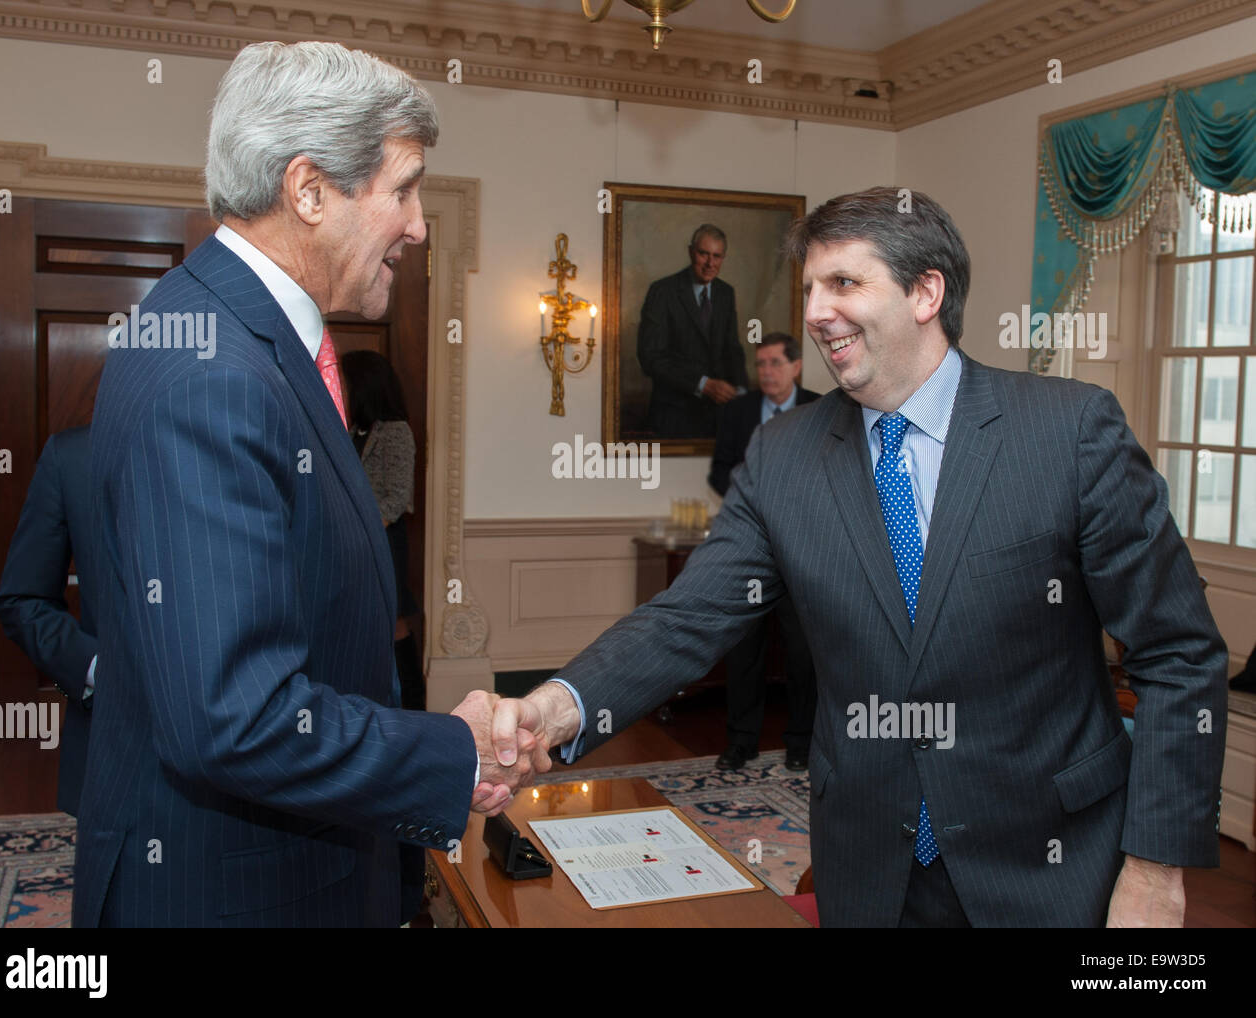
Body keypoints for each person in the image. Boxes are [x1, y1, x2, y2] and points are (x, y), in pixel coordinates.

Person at [482, 187, 1229, 928]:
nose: (813, 312)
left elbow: (1179, 653)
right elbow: (687, 618)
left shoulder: (1067, 432)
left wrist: (1156, 869)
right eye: (809, 287)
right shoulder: (784, 455)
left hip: (1051, 866)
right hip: (870, 871)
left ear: (925, 292)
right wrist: (551, 710)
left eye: (843, 282)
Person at [74, 41, 546, 928]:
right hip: (232, 891)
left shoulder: (242, 335)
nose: (418, 224)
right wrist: (451, 750)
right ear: (309, 189)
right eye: (403, 189)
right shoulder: (211, 370)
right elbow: (236, 718)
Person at [708, 333, 819, 772]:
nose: (767, 372)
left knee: (803, 653)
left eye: (775, 363)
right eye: (761, 364)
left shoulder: (821, 408)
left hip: (802, 549)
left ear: (796, 367)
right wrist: (749, 497)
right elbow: (719, 471)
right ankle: (741, 742)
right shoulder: (738, 411)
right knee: (744, 649)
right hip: (750, 549)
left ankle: (802, 743)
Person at [0, 426, 97, 817]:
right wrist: (96, 669)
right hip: (108, 753)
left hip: (249, 776)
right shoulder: (71, 457)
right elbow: (22, 601)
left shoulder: (262, 441)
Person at [342, 349, 424, 711]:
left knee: (393, 624)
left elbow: (396, 498)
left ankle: (412, 710)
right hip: (351, 544)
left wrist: (359, 526)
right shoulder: (349, 429)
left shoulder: (396, 431)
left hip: (383, 542)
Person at [637, 224, 748, 438]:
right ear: (691, 252)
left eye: (717, 256)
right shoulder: (662, 292)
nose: (710, 263)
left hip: (717, 416)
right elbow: (650, 357)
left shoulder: (725, 293)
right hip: (672, 415)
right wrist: (702, 384)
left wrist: (741, 392)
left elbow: (732, 348)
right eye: (703, 254)